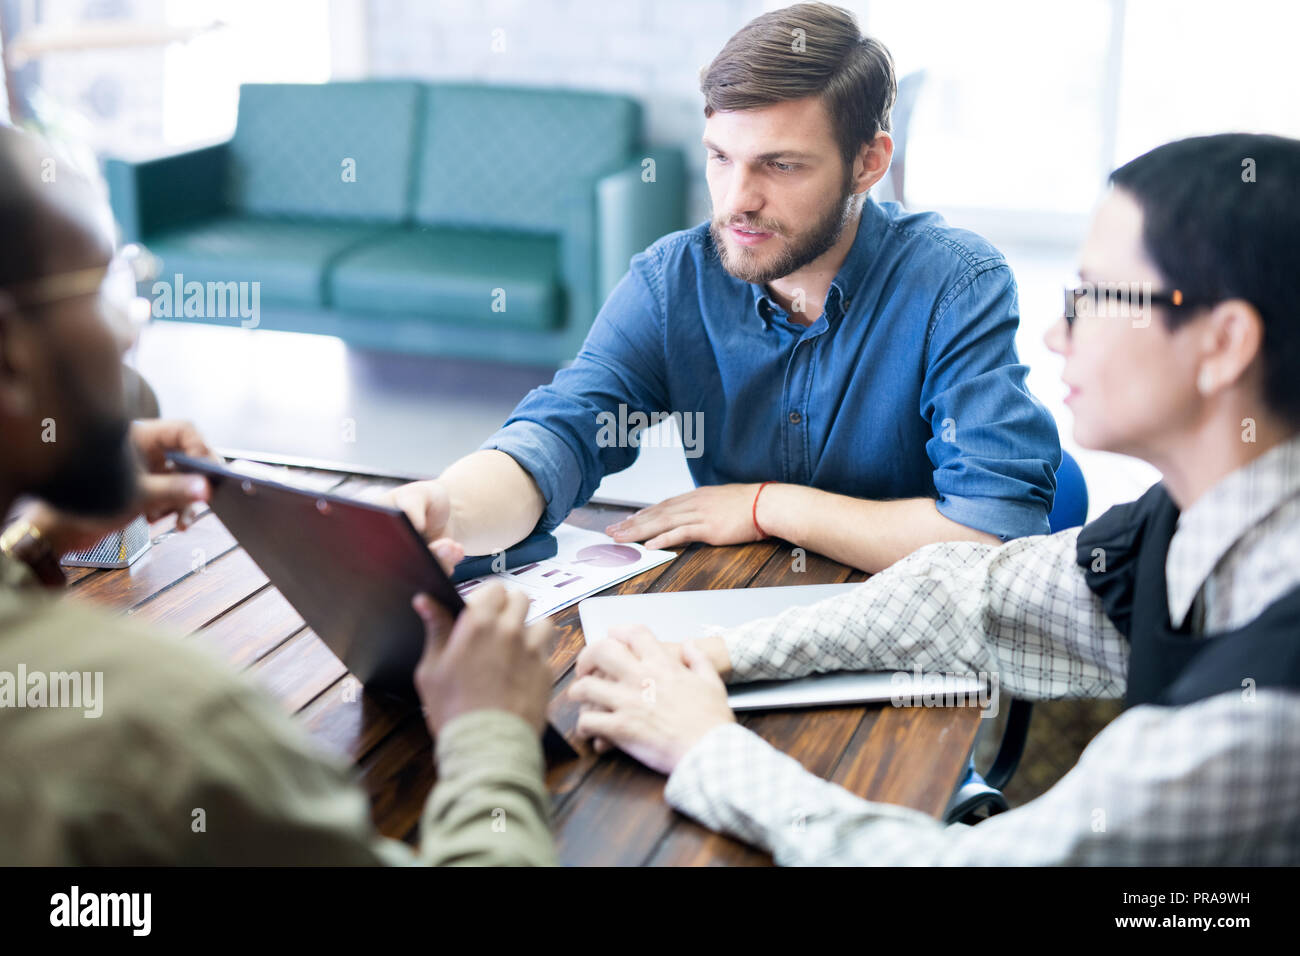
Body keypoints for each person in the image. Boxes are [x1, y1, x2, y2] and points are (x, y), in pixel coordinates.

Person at [568, 132, 1300, 865]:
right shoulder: (1190, 523)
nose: (1056, 334)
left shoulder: (1265, 717)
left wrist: (702, 746)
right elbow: (969, 595)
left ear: (1224, 343)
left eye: (1093, 298)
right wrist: (707, 654)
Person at [0, 124, 556, 865]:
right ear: (11, 360)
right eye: (110, 282)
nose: (133, 327)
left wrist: (33, 529)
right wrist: (489, 731)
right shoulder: (162, 728)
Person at [386, 2, 1060, 575]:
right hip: (743, 601)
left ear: (868, 163)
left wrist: (766, 506)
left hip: (907, 615)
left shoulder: (955, 283)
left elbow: (993, 539)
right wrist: (450, 508)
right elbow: (565, 430)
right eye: (720, 157)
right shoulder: (671, 279)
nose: (737, 202)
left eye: (782, 164)